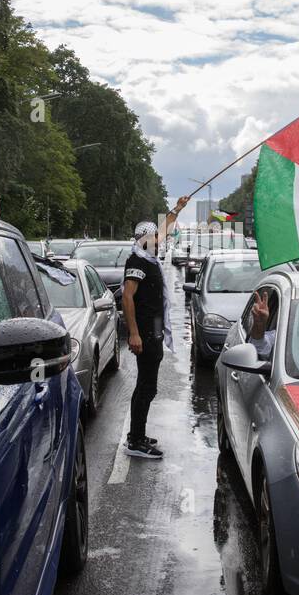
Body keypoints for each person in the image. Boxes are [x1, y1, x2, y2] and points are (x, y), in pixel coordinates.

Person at [121, 195, 191, 458]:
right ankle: (136, 442)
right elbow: (127, 297)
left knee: (146, 385)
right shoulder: (138, 261)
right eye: (154, 239)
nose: (159, 242)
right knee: (146, 387)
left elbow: (162, 231)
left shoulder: (147, 255)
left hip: (154, 329)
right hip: (145, 332)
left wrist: (177, 209)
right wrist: (134, 333)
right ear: (142, 240)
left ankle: (136, 434)